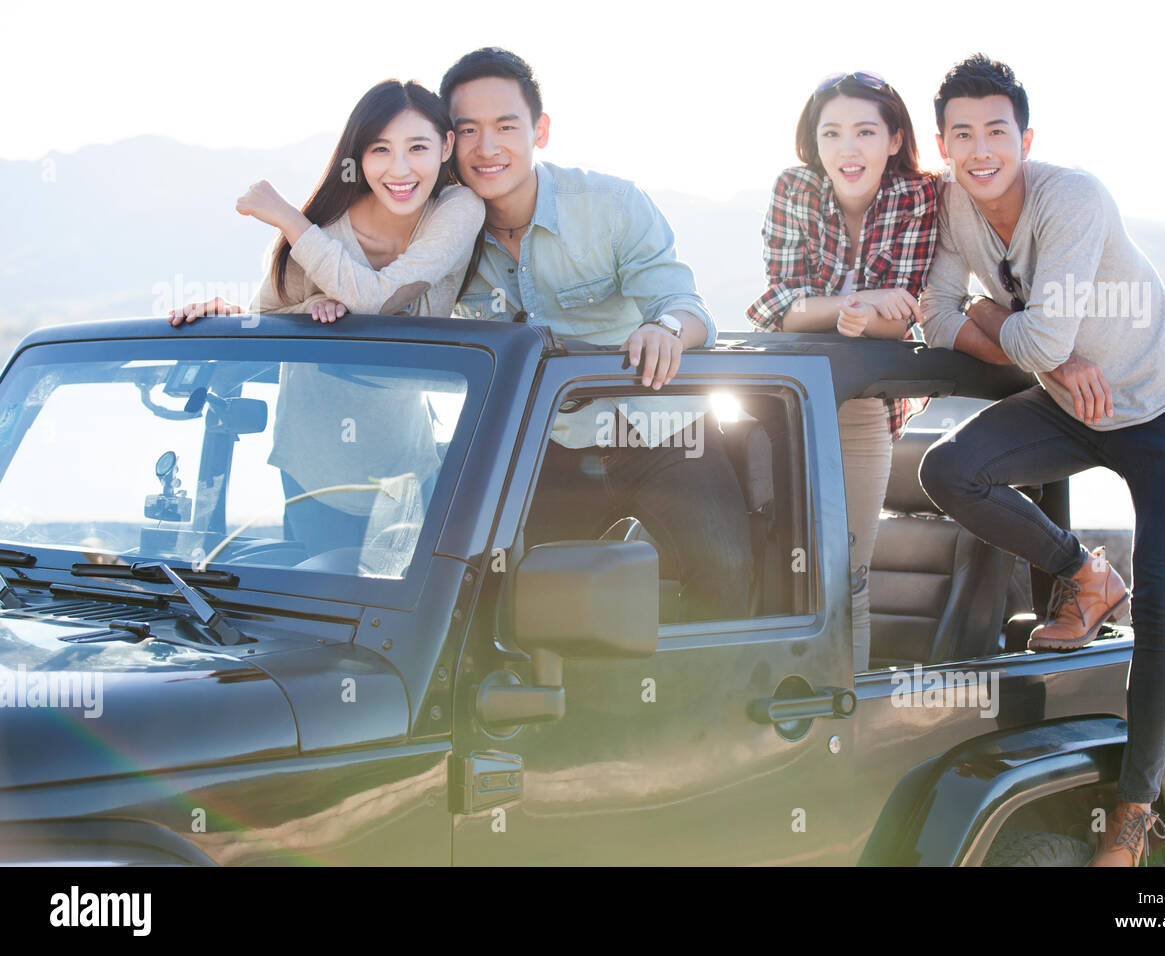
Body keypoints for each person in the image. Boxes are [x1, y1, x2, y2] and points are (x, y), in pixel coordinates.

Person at [916, 54, 1165, 866]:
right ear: (943, 144)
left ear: (1025, 137)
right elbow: (935, 315)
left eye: (996, 132)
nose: (981, 150)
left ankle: (1131, 815)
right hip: (1070, 404)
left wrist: (1001, 320)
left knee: (1161, 604)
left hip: (1163, 407)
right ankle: (1083, 572)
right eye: (962, 134)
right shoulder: (951, 206)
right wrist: (1038, 355)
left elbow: (1035, 333)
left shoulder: (1072, 196)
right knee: (949, 469)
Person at [440, 47, 751, 622]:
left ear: (541, 130)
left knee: (726, 577)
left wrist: (664, 329)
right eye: (467, 130)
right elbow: (391, 293)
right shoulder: (443, 232)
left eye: (506, 126)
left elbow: (686, 306)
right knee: (520, 606)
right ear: (447, 142)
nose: (487, 147)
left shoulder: (611, 205)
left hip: (662, 432)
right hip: (546, 447)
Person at [167, 79, 485, 558]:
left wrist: (289, 220)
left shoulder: (456, 210)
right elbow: (267, 323)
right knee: (324, 617)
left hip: (408, 468)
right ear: (359, 157)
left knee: (415, 618)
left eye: (417, 147)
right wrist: (237, 320)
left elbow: (378, 302)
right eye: (380, 150)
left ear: (445, 146)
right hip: (312, 472)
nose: (400, 169)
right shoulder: (323, 237)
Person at [746, 70, 938, 671]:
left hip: (862, 404)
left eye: (863, 132)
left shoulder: (918, 198)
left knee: (845, 568)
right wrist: (853, 308)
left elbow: (903, 315)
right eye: (831, 134)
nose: (846, 150)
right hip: (782, 401)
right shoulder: (794, 190)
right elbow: (778, 307)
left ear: (894, 138)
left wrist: (835, 312)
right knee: (773, 556)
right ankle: (771, 695)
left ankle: (844, 700)